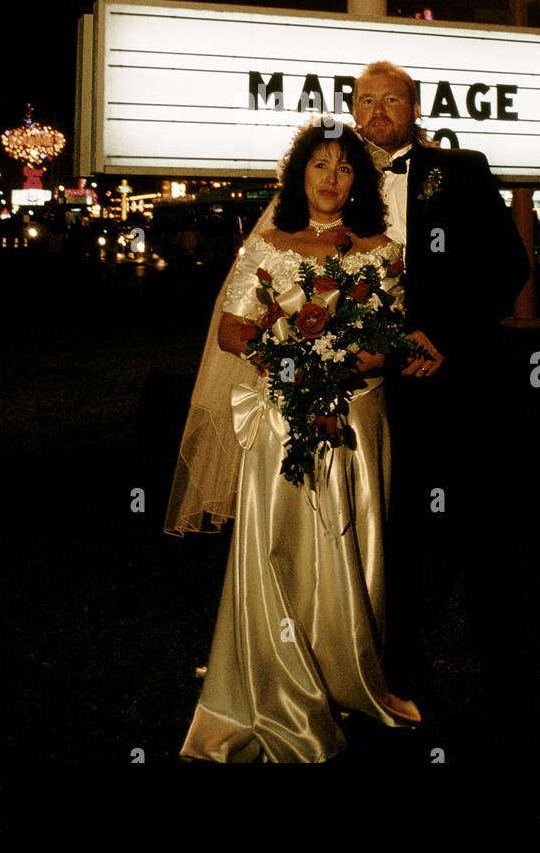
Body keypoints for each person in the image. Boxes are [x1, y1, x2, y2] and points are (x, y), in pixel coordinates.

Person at [176, 118, 436, 763]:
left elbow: (385, 342)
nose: (331, 178)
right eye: (319, 166)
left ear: (358, 181)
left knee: (353, 538)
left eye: (344, 168)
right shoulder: (268, 245)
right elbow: (233, 332)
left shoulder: (379, 252)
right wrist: (294, 369)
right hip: (284, 415)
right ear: (299, 175)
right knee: (279, 543)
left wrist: (351, 364)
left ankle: (347, 672)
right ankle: (270, 676)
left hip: (357, 417)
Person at [351, 61, 532, 744]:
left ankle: (508, 694)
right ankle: (395, 680)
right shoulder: (335, 179)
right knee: (391, 544)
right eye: (364, 100)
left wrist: (446, 336)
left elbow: (506, 266)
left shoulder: (459, 170)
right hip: (372, 391)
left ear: (413, 106)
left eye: (389, 99)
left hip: (457, 390)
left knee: (485, 540)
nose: (376, 110)